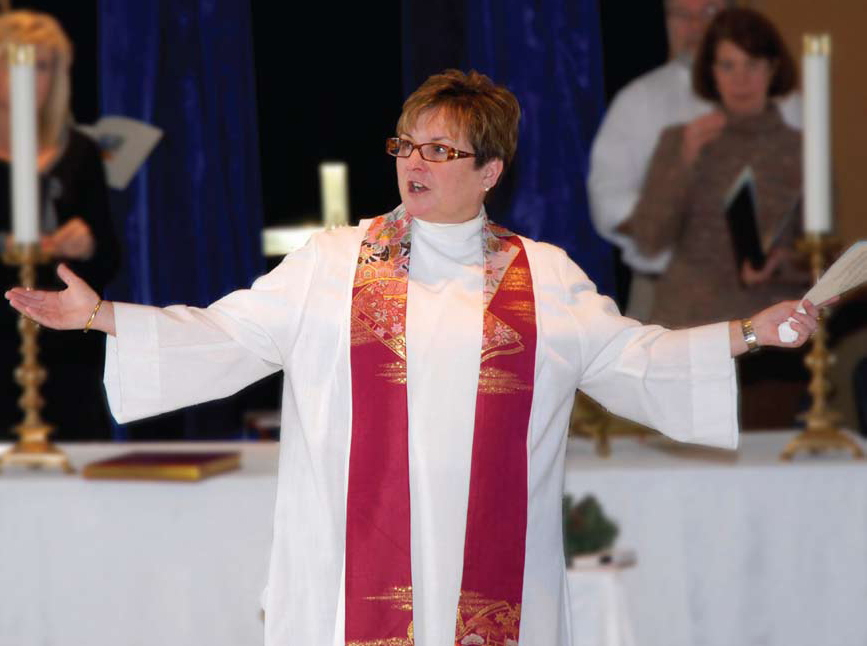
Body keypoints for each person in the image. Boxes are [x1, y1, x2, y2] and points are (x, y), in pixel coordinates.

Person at [6, 69, 822, 646]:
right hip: (352, 566)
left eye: (440, 151)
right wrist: (104, 316)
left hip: (491, 576)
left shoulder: (542, 273)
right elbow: (230, 332)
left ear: (491, 170)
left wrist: (748, 333)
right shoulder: (332, 260)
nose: (413, 162)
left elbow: (634, 359)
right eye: (407, 144)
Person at [618, 7, 809, 427]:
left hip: (770, 351)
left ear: (773, 69)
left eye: (752, 65)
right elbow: (648, 240)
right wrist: (681, 162)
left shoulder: (801, 151)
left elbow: (819, 256)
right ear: (711, 72)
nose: (740, 79)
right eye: (727, 64)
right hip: (685, 340)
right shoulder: (679, 140)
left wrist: (785, 265)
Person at [587, 0, 801, 321]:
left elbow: (807, 213)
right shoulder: (640, 100)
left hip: (767, 294)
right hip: (666, 293)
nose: (696, 26)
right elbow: (609, 204)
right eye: (682, 15)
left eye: (709, 12)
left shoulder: (786, 104)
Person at [0, 10, 120, 441]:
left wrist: (87, 246)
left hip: (68, 351)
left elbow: (109, 256)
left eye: (44, 66)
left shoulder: (80, 153)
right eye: (19, 64)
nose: (32, 78)